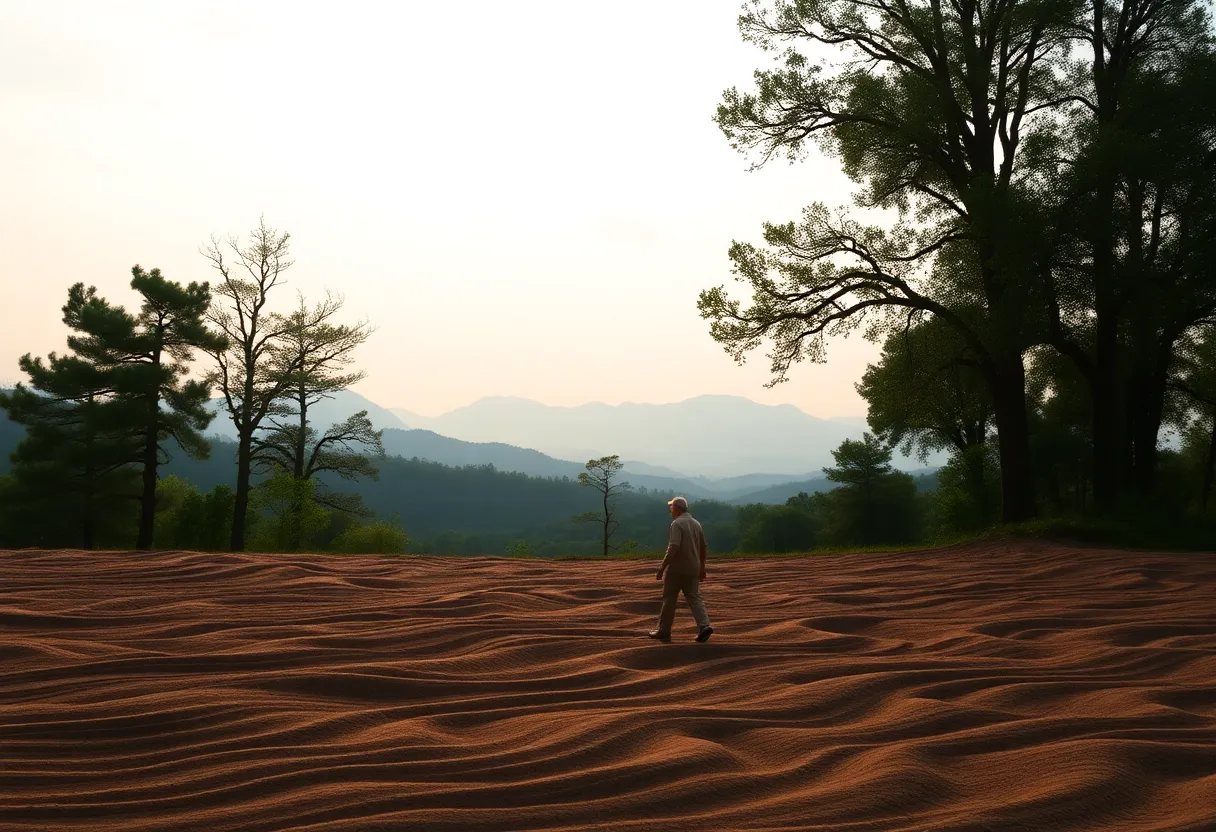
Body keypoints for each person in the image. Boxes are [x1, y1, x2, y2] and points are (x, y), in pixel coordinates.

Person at [648, 496, 713, 643]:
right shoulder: (696, 523)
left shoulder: (677, 524)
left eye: (671, 507)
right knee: (694, 597)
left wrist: (662, 567)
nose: (670, 510)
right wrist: (702, 568)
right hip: (693, 567)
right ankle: (704, 625)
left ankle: (663, 630)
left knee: (669, 598)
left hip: (677, 569)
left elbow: (674, 547)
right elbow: (703, 548)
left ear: (677, 508)